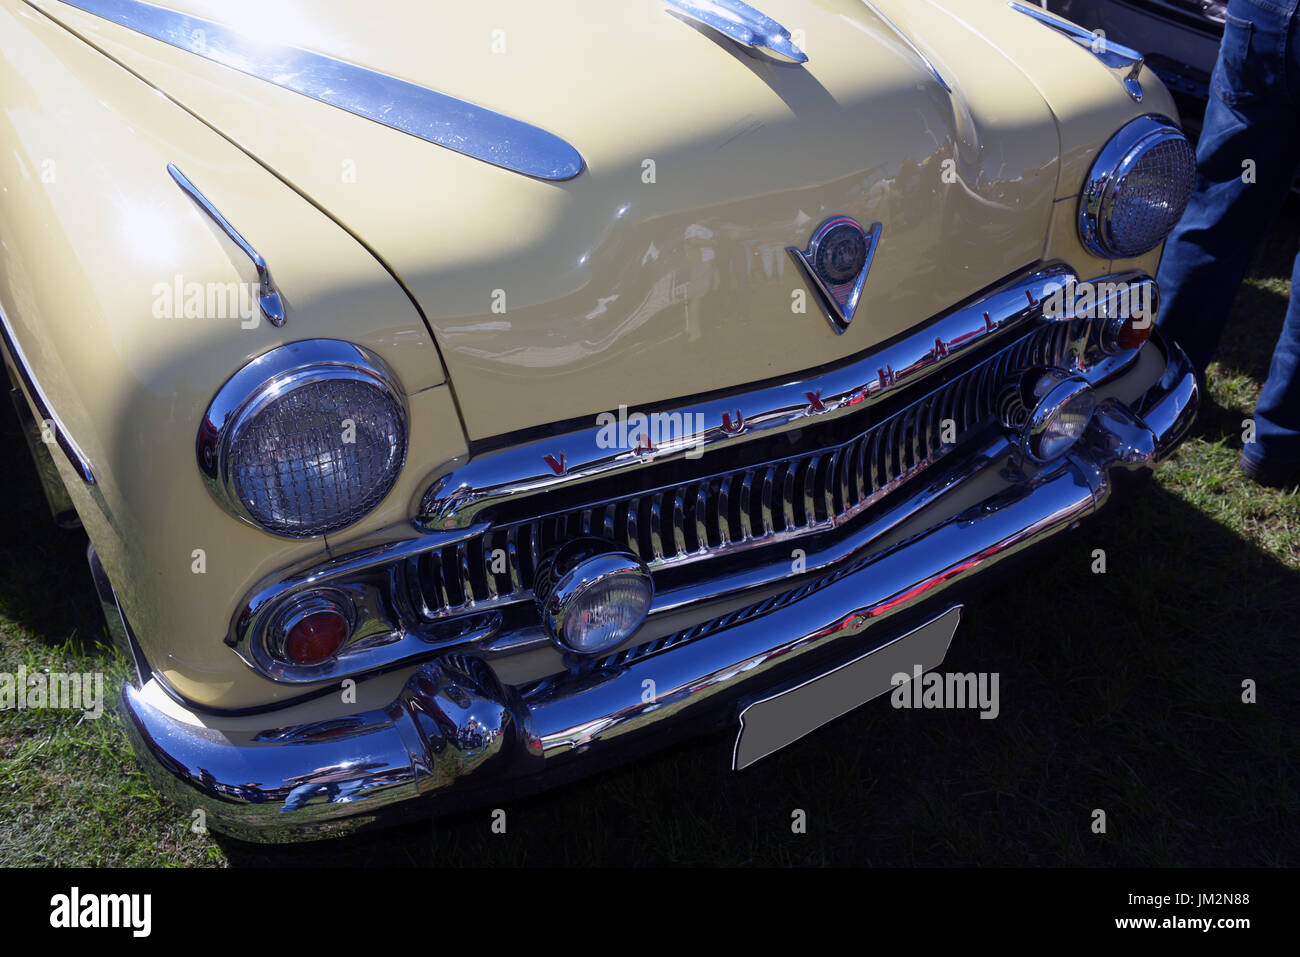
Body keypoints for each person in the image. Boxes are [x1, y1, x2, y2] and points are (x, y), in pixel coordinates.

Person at [1156, 0, 1300, 487]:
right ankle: (1278, 442)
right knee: (1214, 205)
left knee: (1215, 206)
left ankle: (1158, 388)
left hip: (1266, 14)